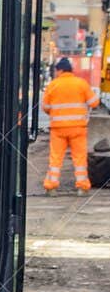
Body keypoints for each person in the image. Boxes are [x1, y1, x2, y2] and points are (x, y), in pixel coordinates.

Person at [41, 56, 99, 192]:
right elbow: (94, 102)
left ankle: (51, 187)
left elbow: (46, 107)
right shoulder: (81, 83)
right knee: (79, 158)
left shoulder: (53, 85)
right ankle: (82, 187)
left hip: (58, 129)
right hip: (78, 128)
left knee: (55, 158)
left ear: (60, 70)